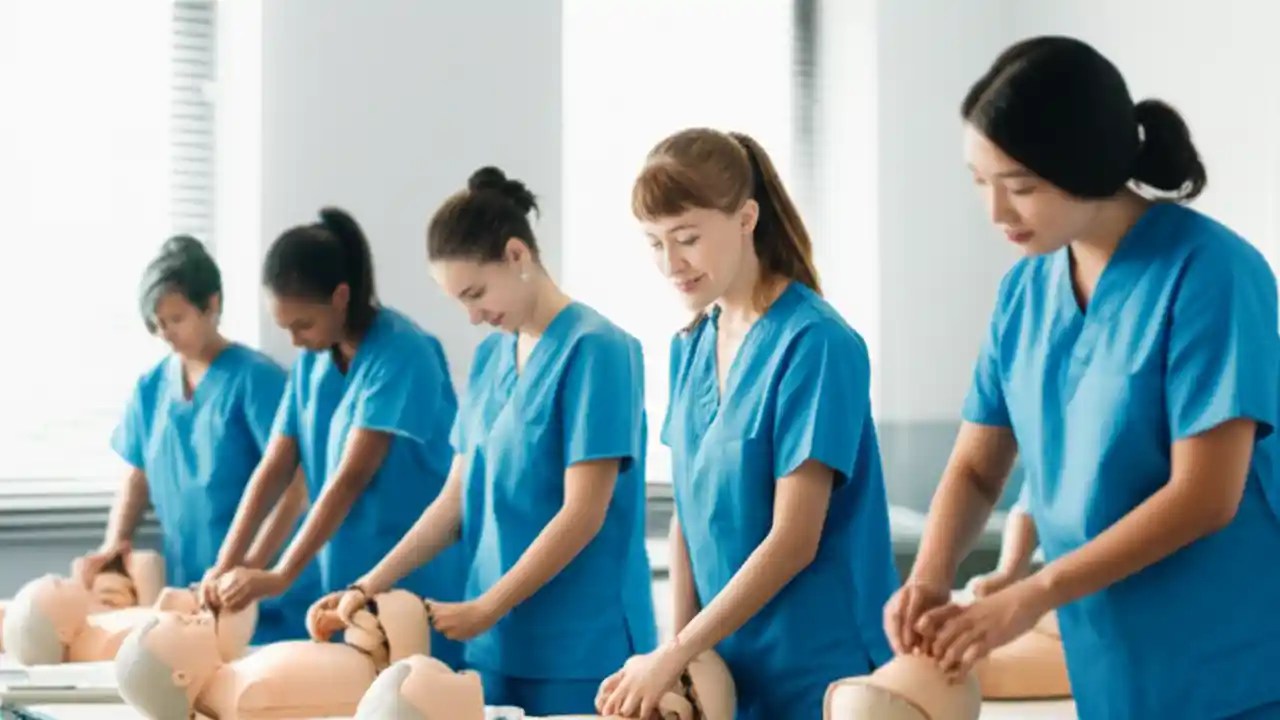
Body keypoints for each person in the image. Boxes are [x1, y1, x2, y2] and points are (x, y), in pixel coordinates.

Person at [886, 35, 1280, 719]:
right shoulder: (1024, 294)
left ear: (1089, 165)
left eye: (1022, 188)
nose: (996, 213)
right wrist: (930, 576)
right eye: (981, 183)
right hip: (1111, 660)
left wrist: (1031, 593)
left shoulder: (1212, 273)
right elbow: (980, 467)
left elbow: (1206, 495)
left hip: (1235, 659)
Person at [317, 168, 657, 715]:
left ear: (518, 255)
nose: (472, 317)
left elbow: (583, 513)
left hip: (584, 653)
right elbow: (453, 503)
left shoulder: (599, 351)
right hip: (498, 649)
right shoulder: (491, 359)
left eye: (476, 294)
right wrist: (367, 584)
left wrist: (487, 607)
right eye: (460, 302)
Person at [598, 128, 899, 719]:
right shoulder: (690, 346)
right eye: (654, 243)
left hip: (822, 667)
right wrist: (679, 663)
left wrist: (681, 649)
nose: (670, 263)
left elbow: (794, 539)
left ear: (746, 218)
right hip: (728, 667)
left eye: (686, 239)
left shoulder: (816, 343)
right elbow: (688, 512)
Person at [201, 208, 466, 668]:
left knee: (416, 693)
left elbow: (348, 480)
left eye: (301, 324)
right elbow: (276, 467)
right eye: (285, 327)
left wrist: (281, 574)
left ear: (341, 297)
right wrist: (228, 562)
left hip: (413, 576)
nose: (294, 339)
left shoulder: (403, 354)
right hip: (346, 579)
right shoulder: (315, 359)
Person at [81, 236, 315, 642]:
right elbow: (137, 473)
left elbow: (297, 487)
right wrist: (116, 540)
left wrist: (251, 568)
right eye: (157, 324)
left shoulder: (257, 382)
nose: (166, 334)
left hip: (266, 602)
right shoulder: (151, 388)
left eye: (176, 319)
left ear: (212, 305)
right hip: (192, 592)